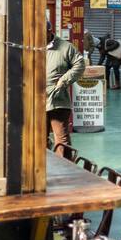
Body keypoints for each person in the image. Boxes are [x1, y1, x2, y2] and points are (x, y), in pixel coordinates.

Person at [46, 23, 87, 156]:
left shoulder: (65, 47)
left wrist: (63, 81)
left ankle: (64, 171)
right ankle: (42, 169)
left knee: (61, 140)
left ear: (49, 31)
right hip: (36, 100)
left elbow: (79, 64)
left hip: (58, 100)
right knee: (38, 138)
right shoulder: (31, 46)